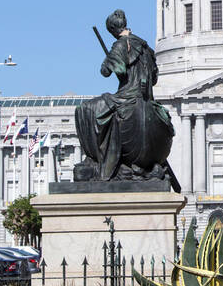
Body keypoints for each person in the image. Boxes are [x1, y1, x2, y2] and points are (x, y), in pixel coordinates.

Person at [75, 10, 174, 183]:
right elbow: (155, 78)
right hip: (147, 100)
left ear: (113, 30)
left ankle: (97, 161)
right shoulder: (146, 48)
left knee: (84, 109)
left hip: (128, 98)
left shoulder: (121, 44)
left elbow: (110, 71)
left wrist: (109, 60)